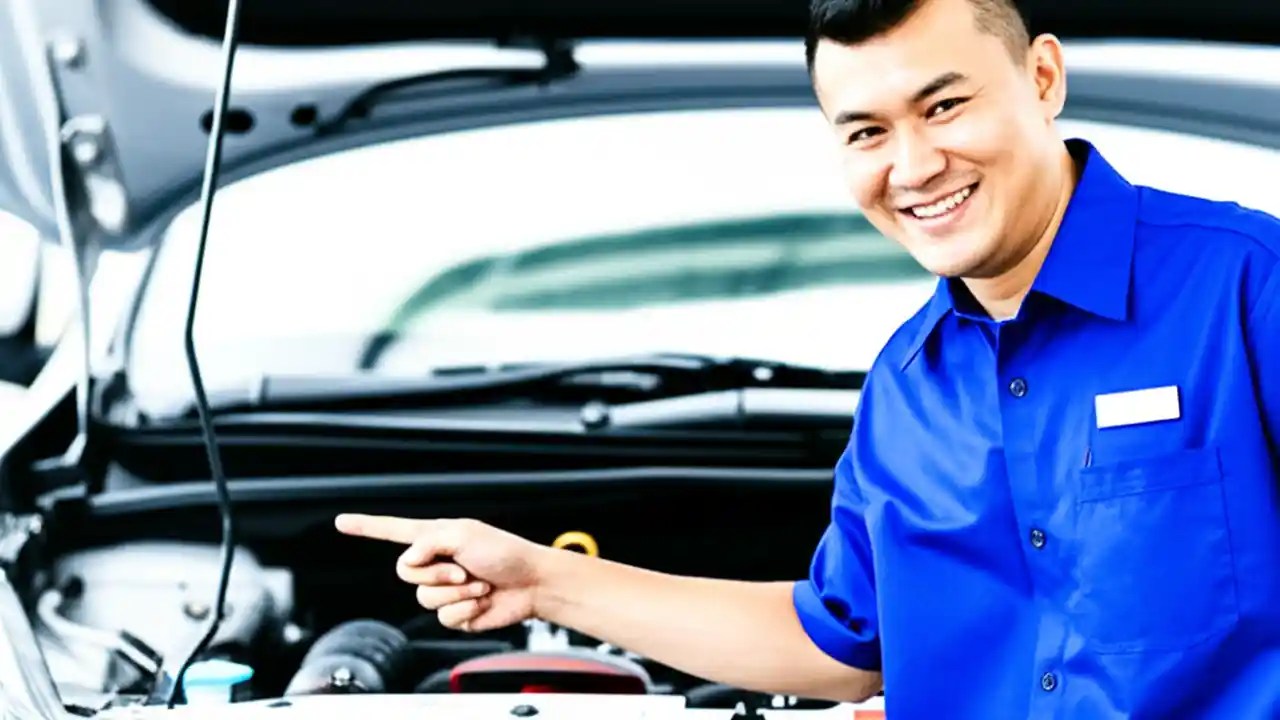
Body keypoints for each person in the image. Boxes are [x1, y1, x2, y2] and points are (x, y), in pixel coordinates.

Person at [335, 0, 1280, 715]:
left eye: (943, 106)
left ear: (1041, 78)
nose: (911, 166)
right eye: (866, 131)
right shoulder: (909, 391)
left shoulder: (1249, 290)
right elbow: (841, 642)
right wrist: (545, 580)